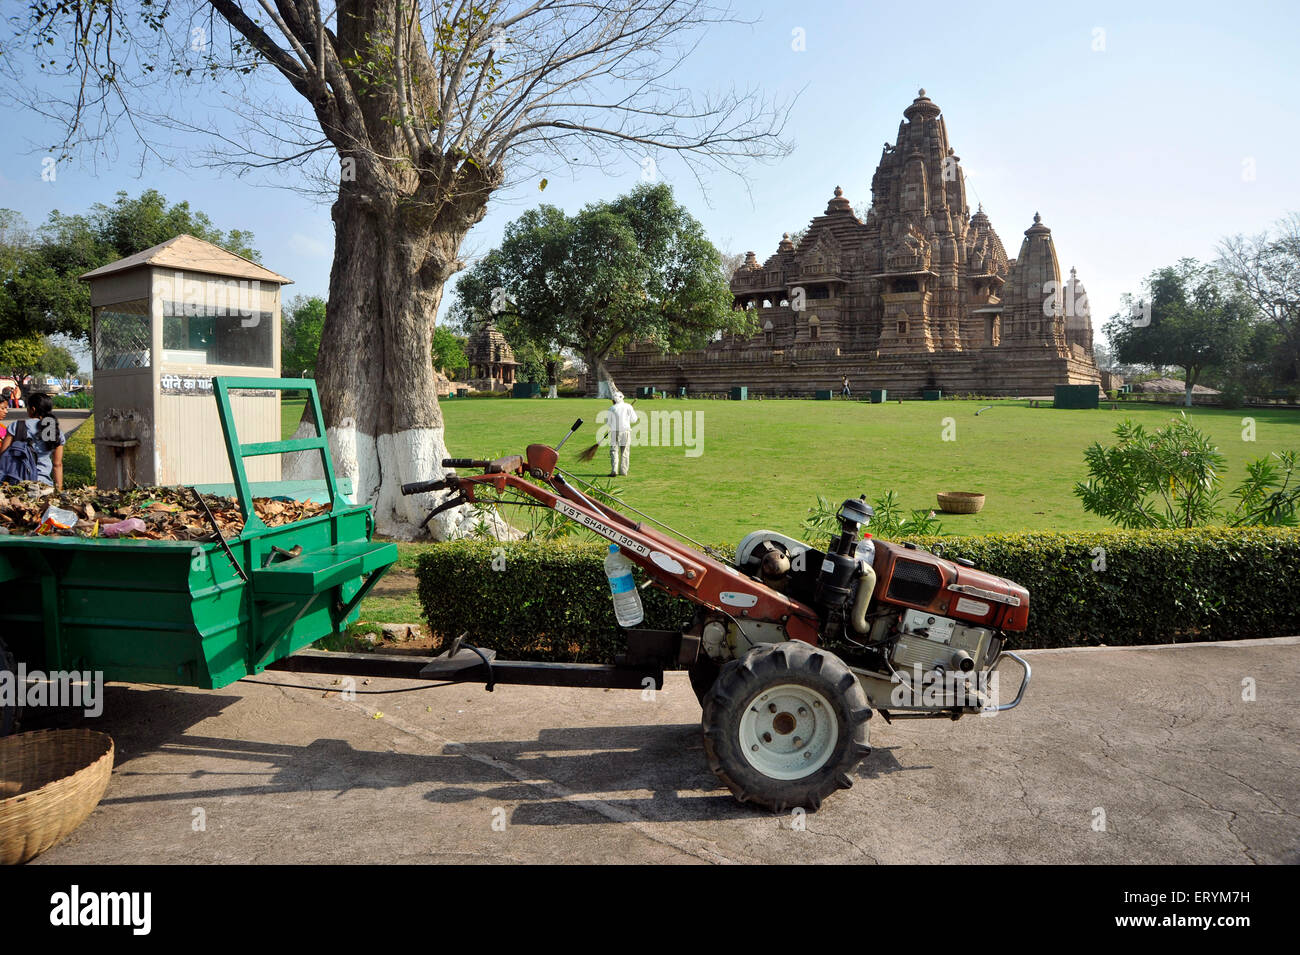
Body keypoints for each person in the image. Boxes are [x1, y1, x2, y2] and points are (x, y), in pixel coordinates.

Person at [0, 392, 65, 490]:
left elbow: (3, 454)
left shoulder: (17, 426)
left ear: (33, 409)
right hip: (44, 484)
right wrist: (59, 490)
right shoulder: (55, 431)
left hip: (17, 484)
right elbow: (57, 465)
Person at [606, 391, 639, 476]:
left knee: (614, 451)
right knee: (624, 451)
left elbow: (608, 422)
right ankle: (623, 471)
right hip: (626, 431)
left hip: (615, 432)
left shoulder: (612, 408)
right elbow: (634, 420)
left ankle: (614, 469)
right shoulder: (628, 407)